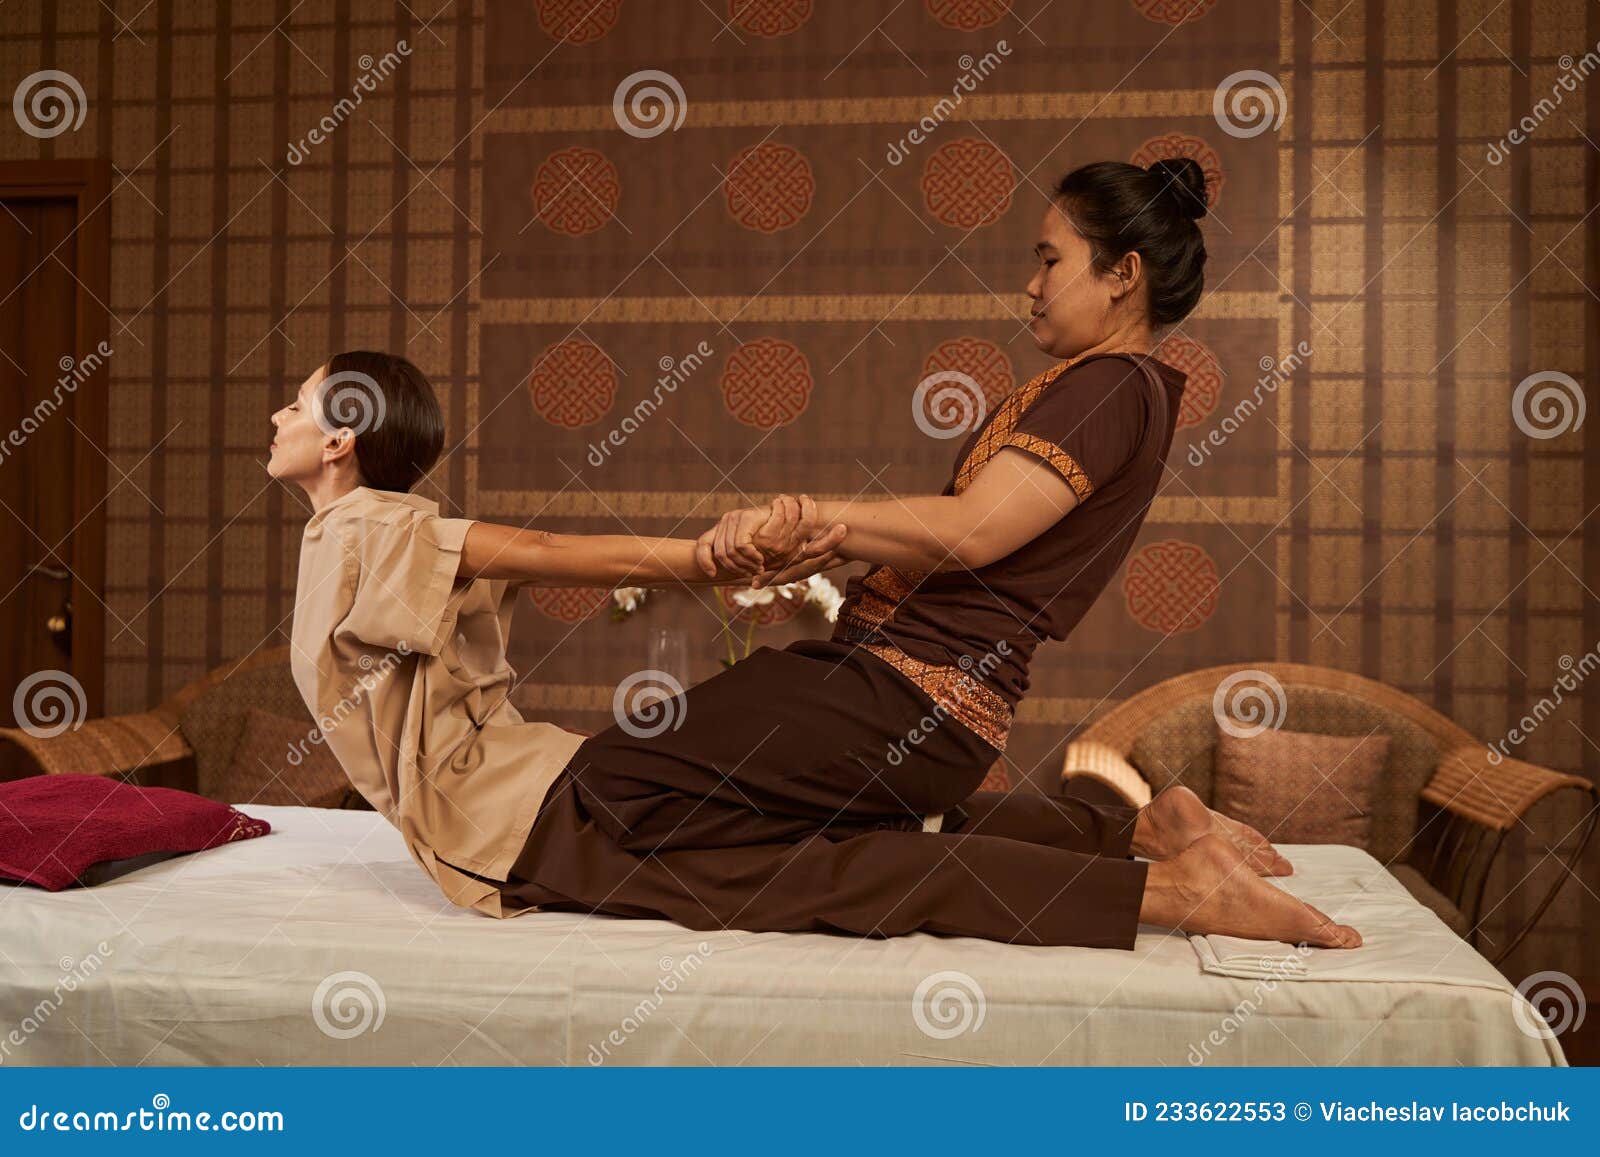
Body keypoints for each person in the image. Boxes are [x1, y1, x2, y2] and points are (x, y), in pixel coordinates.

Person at [275, 158, 1360, 952]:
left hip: (905, 695)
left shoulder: (1111, 388)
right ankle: (1127, 834)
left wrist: (807, 519)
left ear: (1123, 275)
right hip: (899, 688)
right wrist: (814, 541)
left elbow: (977, 531)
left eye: (1049, 259)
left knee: (617, 789)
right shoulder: (1097, 389)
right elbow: (971, 542)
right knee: (828, 843)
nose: (1030, 282)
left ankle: (1164, 892)